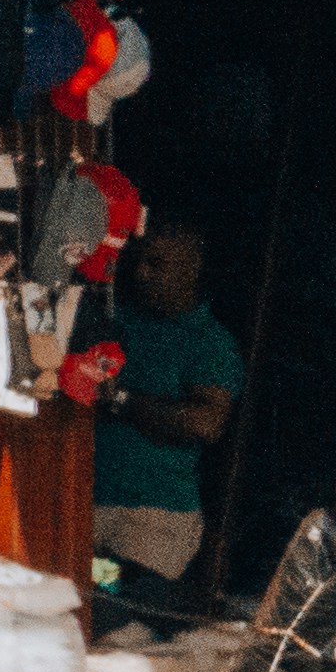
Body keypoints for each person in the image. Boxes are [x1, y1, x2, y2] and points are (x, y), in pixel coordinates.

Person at [82, 231, 241, 631]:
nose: (141, 273)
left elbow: (207, 423)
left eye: (158, 264)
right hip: (91, 504)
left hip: (153, 517)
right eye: (140, 262)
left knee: (121, 619)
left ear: (191, 271)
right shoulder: (118, 322)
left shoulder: (209, 342)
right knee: (87, 607)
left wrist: (122, 401)